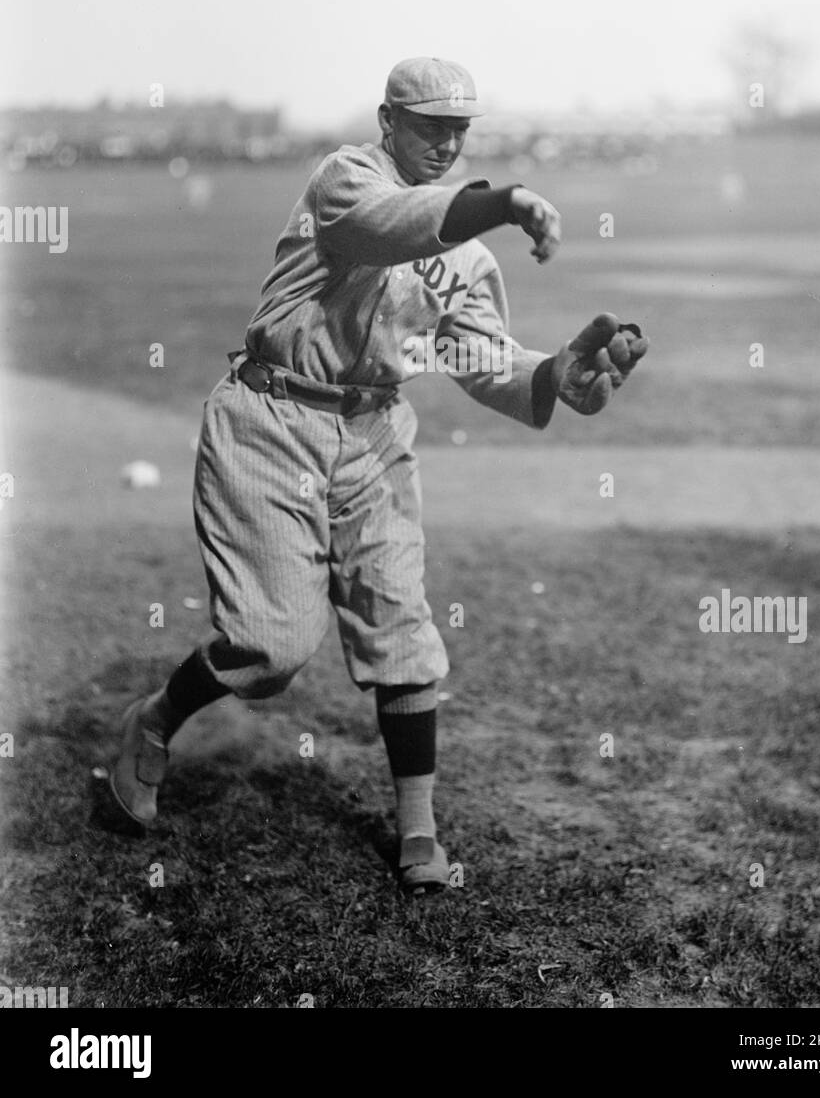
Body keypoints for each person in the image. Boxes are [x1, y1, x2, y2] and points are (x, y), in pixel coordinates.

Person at [106, 56, 648, 893]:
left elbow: (478, 356)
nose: (448, 141)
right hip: (272, 420)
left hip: (374, 434)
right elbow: (393, 226)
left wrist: (557, 379)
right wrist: (500, 203)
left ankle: (419, 833)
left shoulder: (466, 256)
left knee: (403, 627)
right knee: (270, 648)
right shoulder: (347, 180)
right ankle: (156, 720)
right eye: (431, 125)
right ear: (388, 120)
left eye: (461, 127)